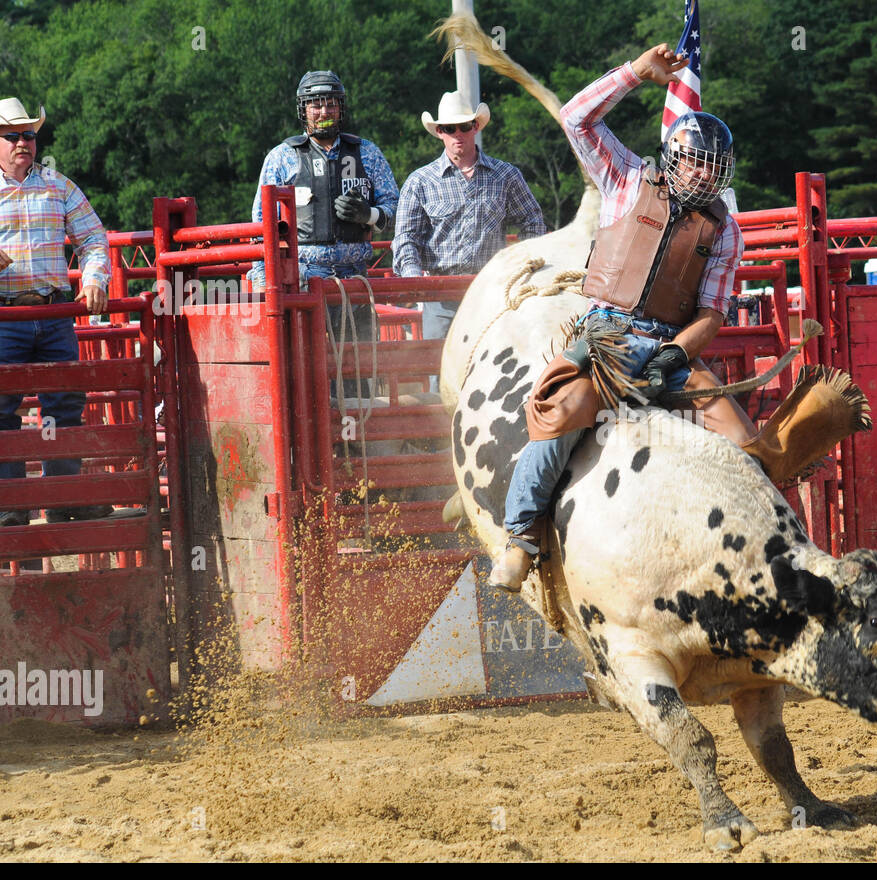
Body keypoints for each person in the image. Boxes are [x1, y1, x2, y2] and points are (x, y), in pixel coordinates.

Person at [489, 43, 756, 590]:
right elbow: (575, 117)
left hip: (668, 351)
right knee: (559, 415)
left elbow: (712, 311)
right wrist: (636, 73)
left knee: (743, 439)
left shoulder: (724, 230)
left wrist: (676, 353)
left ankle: (758, 551)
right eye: (696, 162)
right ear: (675, 156)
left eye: (714, 169)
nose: (704, 177)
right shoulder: (626, 178)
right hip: (606, 337)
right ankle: (519, 541)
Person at [0, 96, 113, 526]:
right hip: (4, 316)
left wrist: (94, 279)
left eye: (28, 135)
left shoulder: (57, 185)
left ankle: (62, 498)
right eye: (13, 136)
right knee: (1, 408)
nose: (23, 143)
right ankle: (11, 504)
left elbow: (92, 239)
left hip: (52, 313)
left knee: (64, 404)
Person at [250, 71, 398, 395]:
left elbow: (394, 204)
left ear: (340, 108)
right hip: (303, 282)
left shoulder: (366, 153)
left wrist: (369, 214)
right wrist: (263, 279)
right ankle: (313, 441)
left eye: (330, 104)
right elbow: (261, 224)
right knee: (306, 370)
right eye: (316, 105)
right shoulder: (282, 157)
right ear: (303, 110)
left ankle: (355, 441)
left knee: (356, 369)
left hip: (355, 282)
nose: (323, 111)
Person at [392, 91, 546, 388]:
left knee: (495, 372)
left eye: (464, 126)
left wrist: (523, 267)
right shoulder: (421, 182)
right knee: (442, 377)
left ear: (476, 126)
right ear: (439, 132)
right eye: (449, 128)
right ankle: (440, 433)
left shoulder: (505, 175)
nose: (457, 134)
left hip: (490, 290)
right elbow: (406, 238)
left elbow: (533, 221)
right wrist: (414, 281)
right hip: (438, 293)